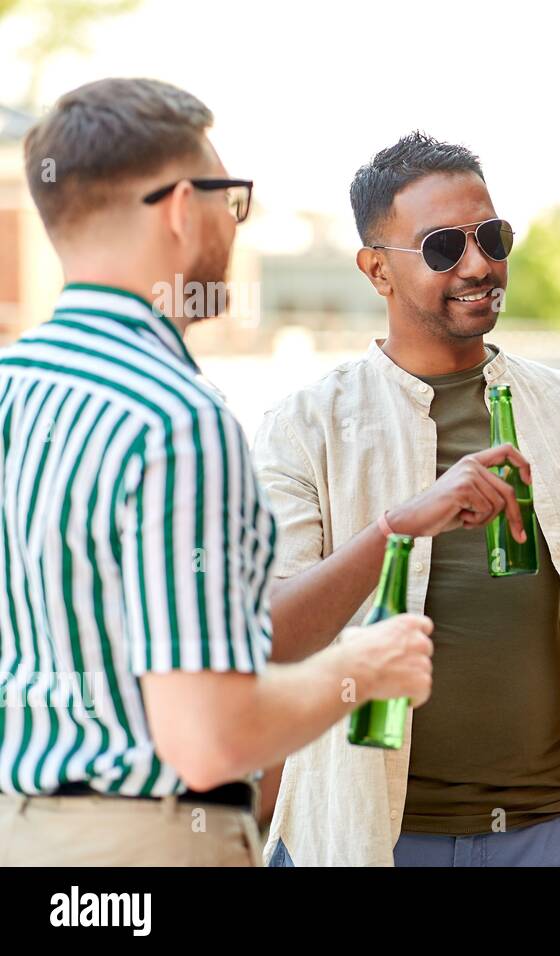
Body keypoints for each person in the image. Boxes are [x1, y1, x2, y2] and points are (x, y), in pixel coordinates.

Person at [0, 78, 436, 865]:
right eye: (230, 200)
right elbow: (209, 737)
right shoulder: (178, 419)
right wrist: (361, 666)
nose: (235, 227)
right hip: (148, 846)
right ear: (177, 207)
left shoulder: (15, 385)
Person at [255, 133, 560, 867]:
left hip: (550, 835)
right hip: (364, 839)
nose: (478, 265)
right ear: (377, 269)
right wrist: (400, 528)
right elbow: (274, 630)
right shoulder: (303, 427)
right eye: (442, 247)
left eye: (491, 237)